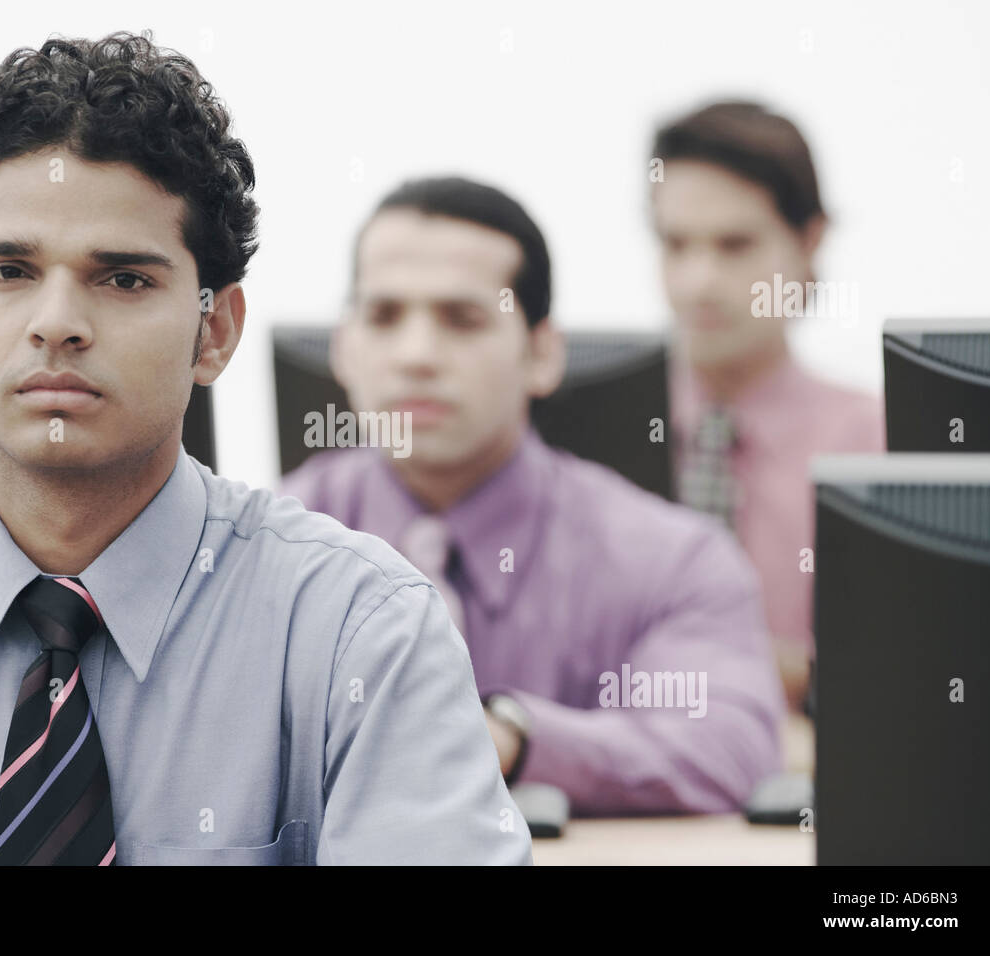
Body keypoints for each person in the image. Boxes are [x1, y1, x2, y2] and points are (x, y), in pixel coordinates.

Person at [0, 32, 530, 865]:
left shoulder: (363, 632)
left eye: (124, 278)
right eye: (9, 271)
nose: (55, 321)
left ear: (214, 330)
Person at [280, 176, 785, 815]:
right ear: (343, 349)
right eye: (383, 316)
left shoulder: (676, 560)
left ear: (543, 354)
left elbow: (728, 747)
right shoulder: (264, 550)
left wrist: (511, 739)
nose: (415, 354)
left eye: (462, 319)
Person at [650, 101, 886, 713]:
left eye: (735, 245)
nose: (698, 280)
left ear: (809, 241)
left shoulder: (876, 442)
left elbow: (903, 673)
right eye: (676, 245)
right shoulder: (580, 438)